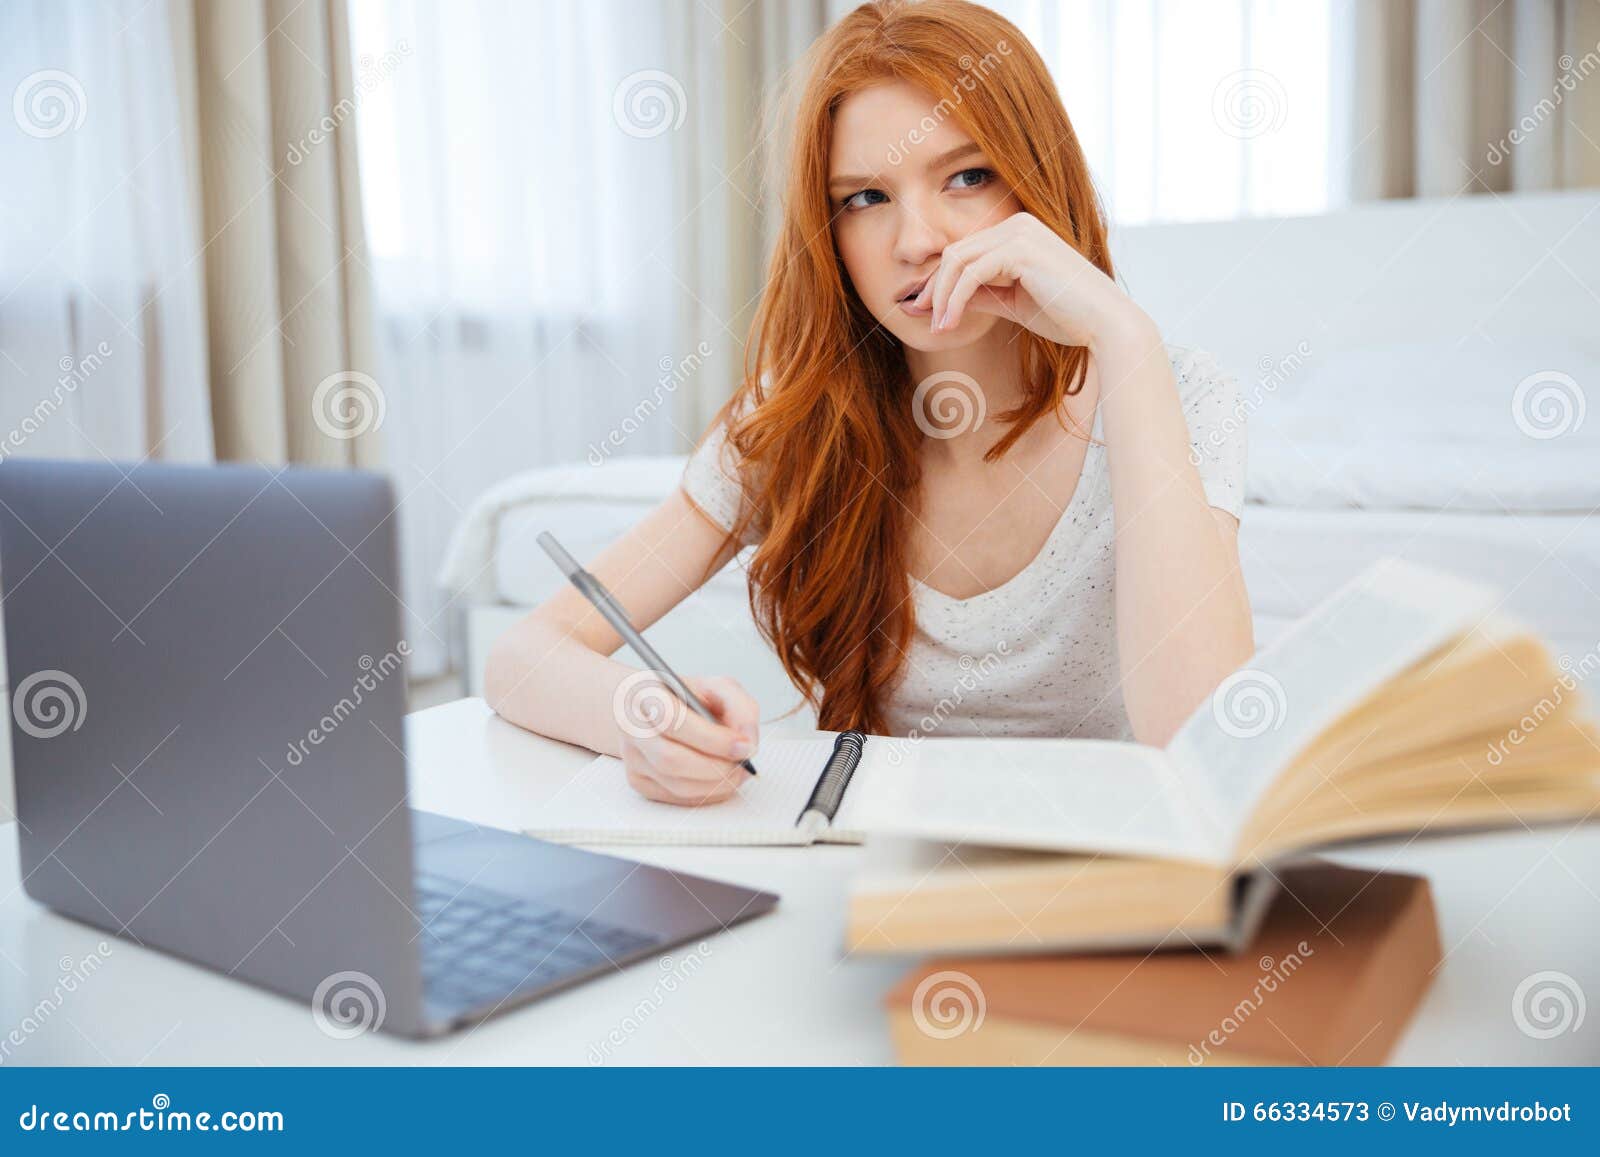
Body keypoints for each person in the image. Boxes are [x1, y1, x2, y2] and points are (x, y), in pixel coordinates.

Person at [486, 0, 1253, 806]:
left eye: (968, 176)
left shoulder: (1178, 393)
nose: (917, 241)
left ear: (1039, 181)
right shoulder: (798, 422)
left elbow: (1203, 737)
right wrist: (640, 718)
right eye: (865, 198)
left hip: (1103, 881)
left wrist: (1124, 341)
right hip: (862, 873)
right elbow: (522, 656)